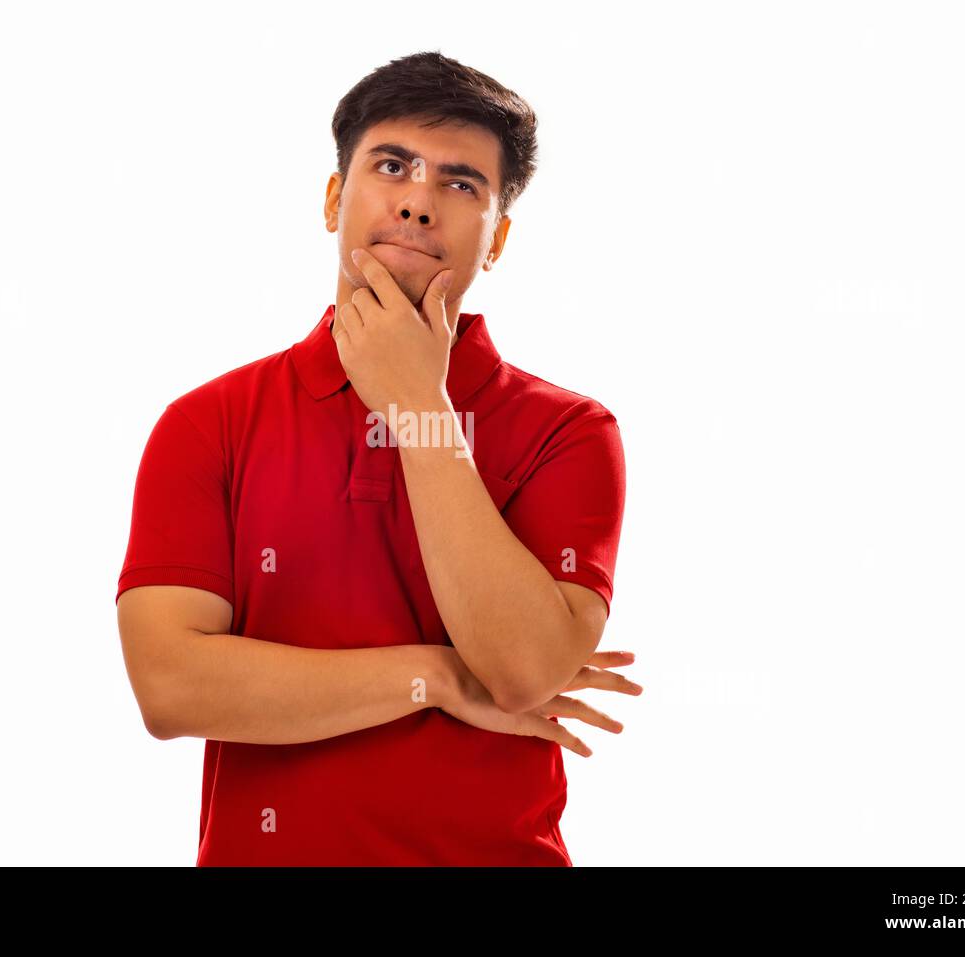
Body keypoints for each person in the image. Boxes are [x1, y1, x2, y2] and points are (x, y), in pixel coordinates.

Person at [115, 50, 640, 866]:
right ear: (335, 198)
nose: (419, 203)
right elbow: (171, 687)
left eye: (461, 185)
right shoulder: (206, 423)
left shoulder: (569, 431)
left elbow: (526, 670)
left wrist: (420, 408)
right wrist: (436, 675)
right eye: (392, 165)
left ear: (496, 238)